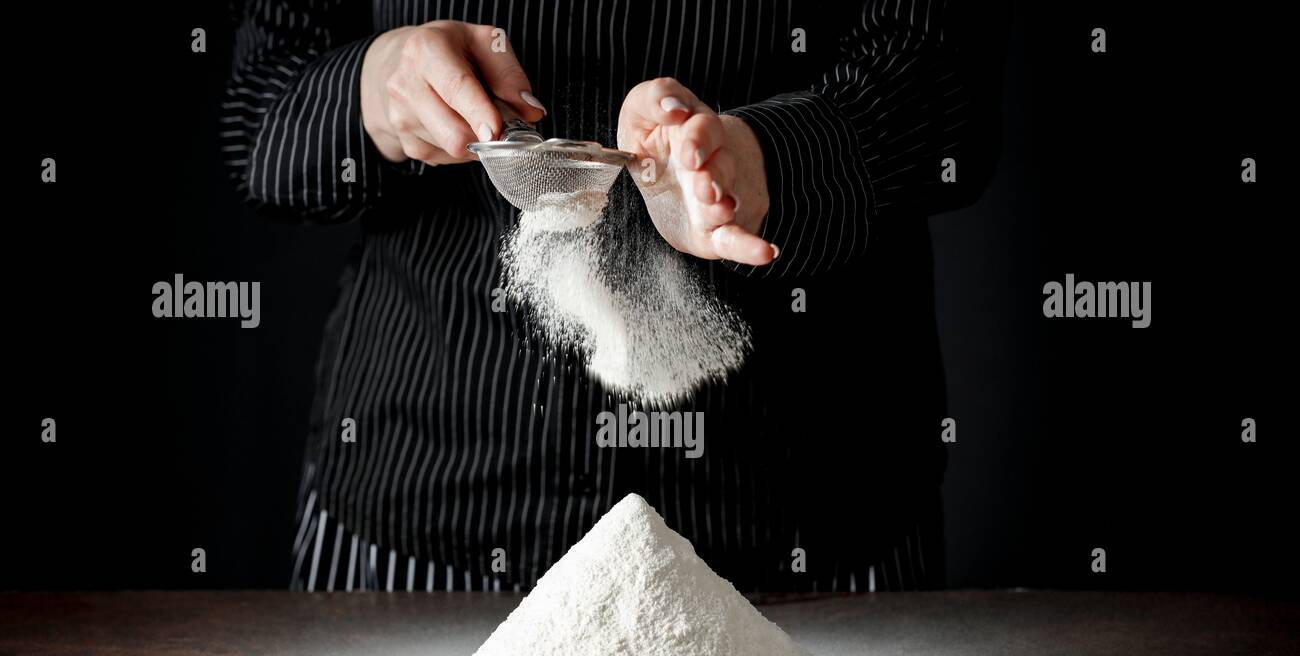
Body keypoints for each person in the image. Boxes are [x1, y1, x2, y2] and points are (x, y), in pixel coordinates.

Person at [223, 0, 1006, 594]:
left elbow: (951, 81)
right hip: (428, 513)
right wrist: (374, 83)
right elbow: (260, 118)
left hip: (803, 519)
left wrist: (765, 161)